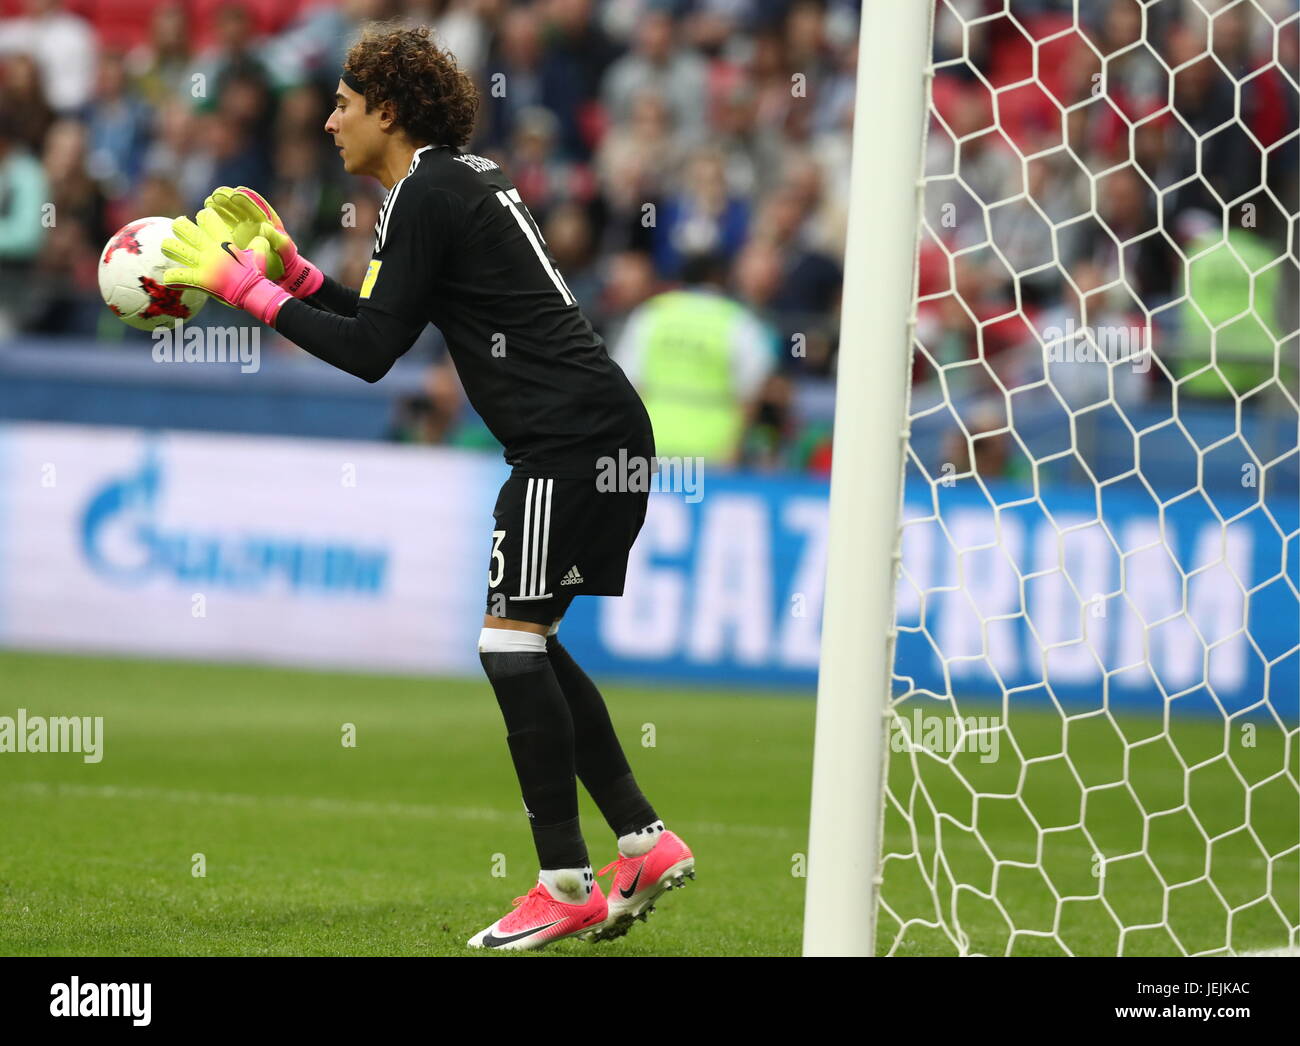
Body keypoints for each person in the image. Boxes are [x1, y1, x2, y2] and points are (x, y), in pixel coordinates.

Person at [159, 21, 693, 953]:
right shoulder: (453, 180)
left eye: (343, 105)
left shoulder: (425, 193)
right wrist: (290, 272)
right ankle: (641, 839)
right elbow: (382, 319)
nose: (328, 123)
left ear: (388, 113)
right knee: (533, 643)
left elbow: (370, 356)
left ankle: (562, 880)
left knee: (508, 645)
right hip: (599, 432)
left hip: (567, 442)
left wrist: (238, 288)